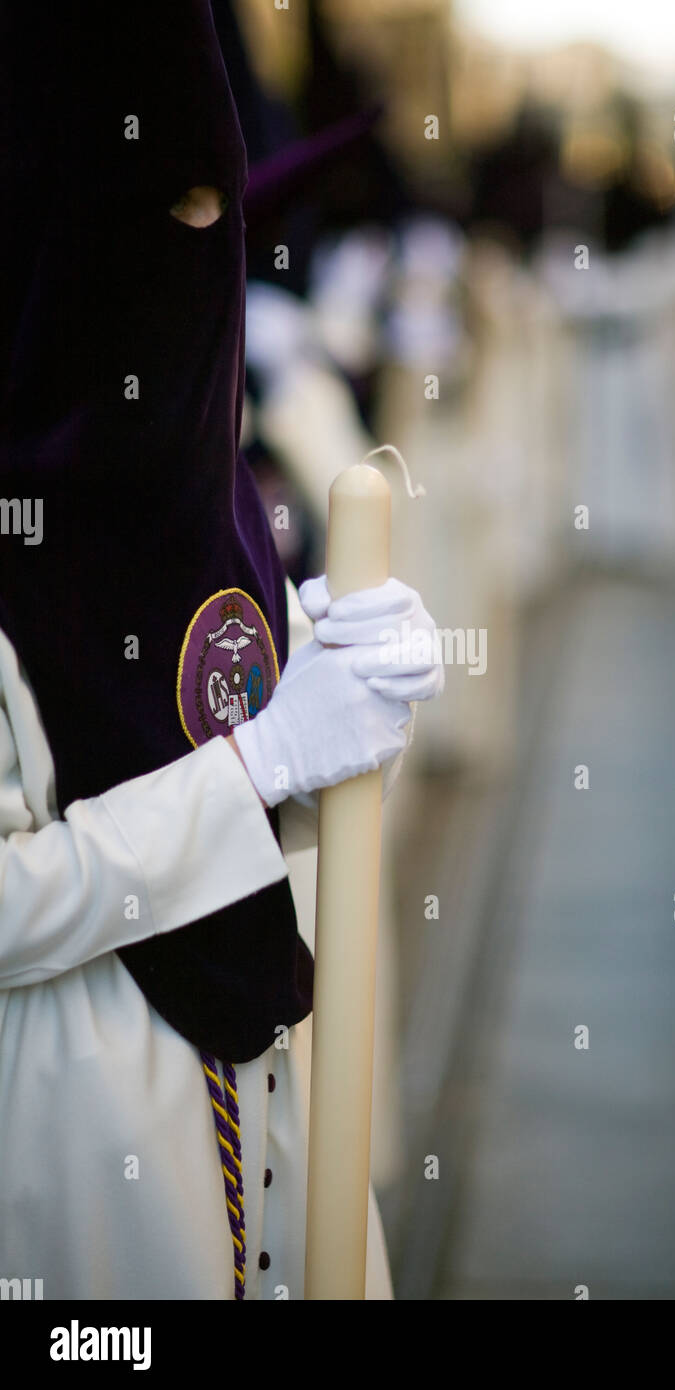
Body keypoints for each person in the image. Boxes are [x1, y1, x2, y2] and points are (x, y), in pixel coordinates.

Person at [0, 3, 443, 1300]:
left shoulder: (191, 482)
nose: (195, 255)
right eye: (157, 212)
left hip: (266, 1093)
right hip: (73, 1137)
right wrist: (257, 768)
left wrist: (341, 684)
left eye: (215, 213)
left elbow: (225, 734)